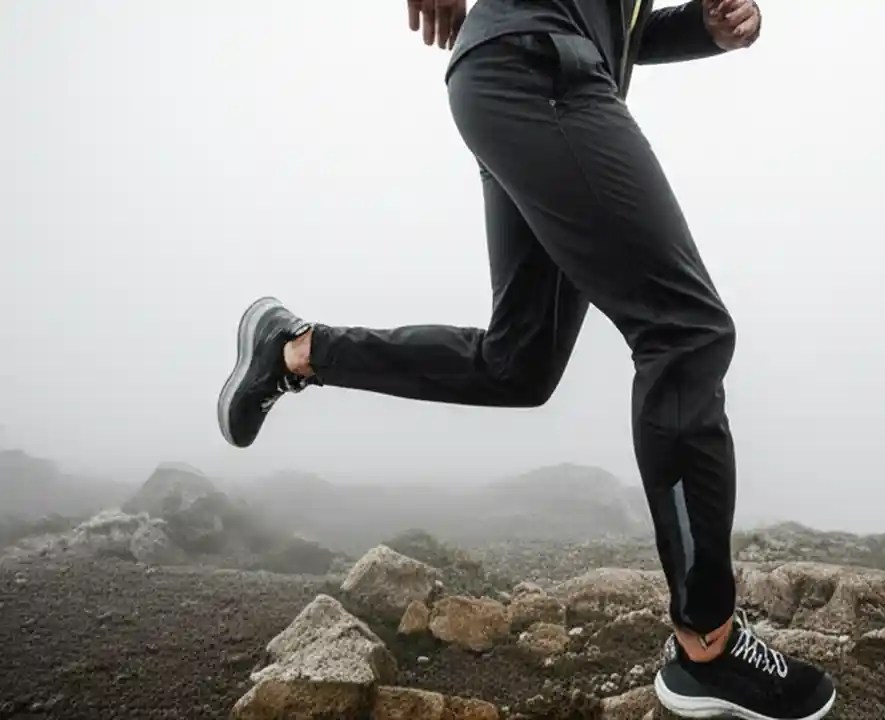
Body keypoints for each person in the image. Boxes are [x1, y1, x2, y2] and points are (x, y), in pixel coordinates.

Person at [217, 1, 836, 718]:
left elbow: (622, 31)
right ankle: (708, 643)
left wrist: (707, 28)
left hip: (531, 77)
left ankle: (294, 350)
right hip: (540, 70)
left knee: (520, 365)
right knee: (686, 330)